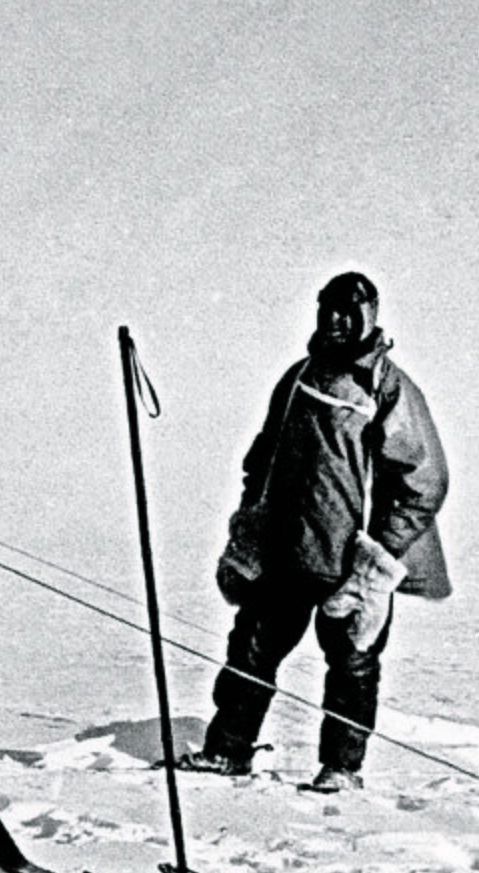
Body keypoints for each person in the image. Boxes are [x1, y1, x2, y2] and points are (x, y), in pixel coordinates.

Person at [183, 272, 449, 792]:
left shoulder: (388, 387)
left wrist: (380, 554)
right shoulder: (300, 376)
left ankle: (341, 769)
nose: (335, 320)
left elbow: (424, 481)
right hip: (284, 553)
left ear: (367, 316)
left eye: (347, 311)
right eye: (328, 308)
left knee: (352, 667)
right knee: (250, 651)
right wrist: (249, 527)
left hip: (350, 565)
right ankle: (227, 751)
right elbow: (263, 458)